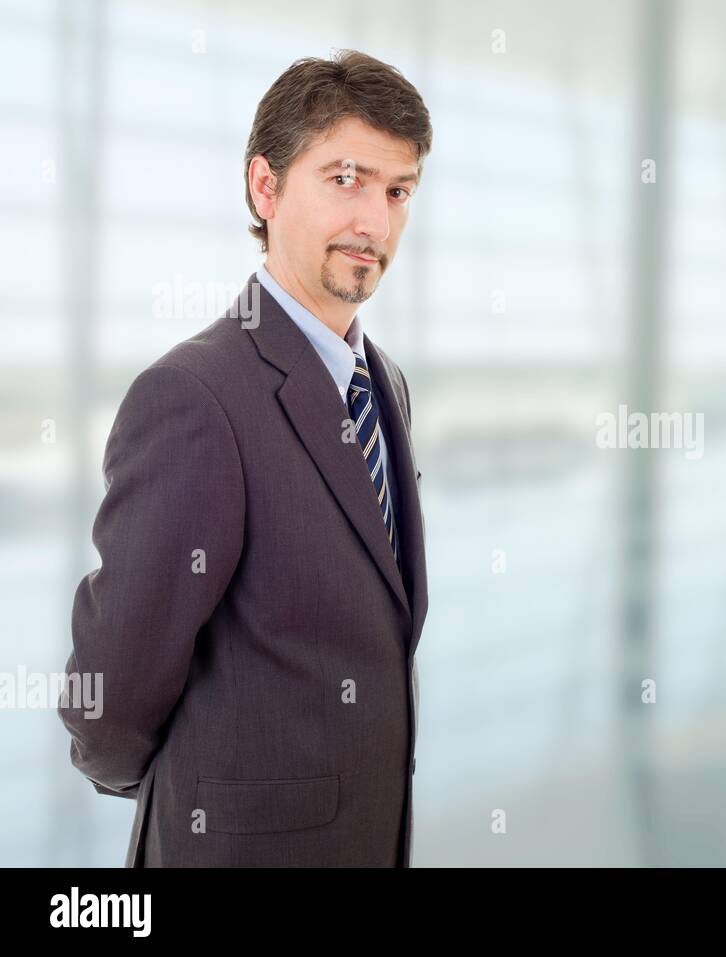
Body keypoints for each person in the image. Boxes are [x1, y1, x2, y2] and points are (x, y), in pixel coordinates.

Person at [56, 49, 432, 867]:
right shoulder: (195, 398)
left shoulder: (386, 388)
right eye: (345, 179)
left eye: (397, 190)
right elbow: (112, 697)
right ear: (265, 187)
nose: (375, 221)